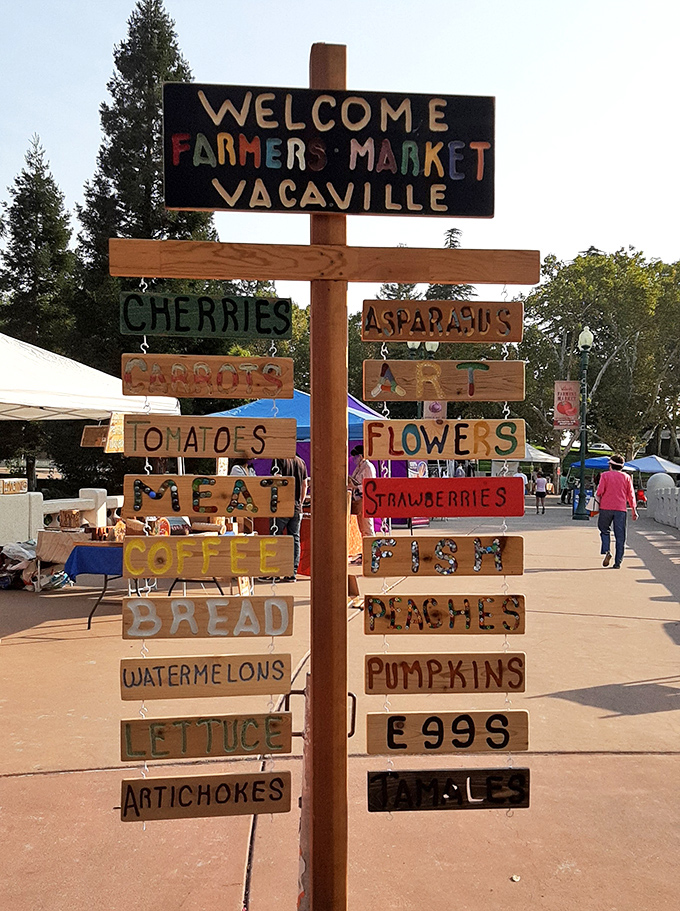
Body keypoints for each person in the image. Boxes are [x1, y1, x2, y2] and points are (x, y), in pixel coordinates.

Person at [271, 455, 309, 582]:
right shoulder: (301, 462)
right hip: (296, 506)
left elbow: (277, 479)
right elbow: (304, 485)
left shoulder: (278, 459)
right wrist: (300, 502)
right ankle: (292, 572)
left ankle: (275, 571)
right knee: (294, 538)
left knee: (275, 537)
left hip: (281, 506)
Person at [596, 454, 638, 568]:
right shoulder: (626, 477)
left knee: (604, 530)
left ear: (611, 465)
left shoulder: (605, 475)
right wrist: (634, 509)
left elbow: (600, 491)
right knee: (620, 536)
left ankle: (607, 550)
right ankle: (618, 562)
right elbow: (631, 495)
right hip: (620, 509)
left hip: (605, 507)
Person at [348, 444, 377, 538]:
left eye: (355, 457)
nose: (353, 459)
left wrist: (356, 487)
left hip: (366, 500)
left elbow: (370, 486)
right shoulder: (359, 467)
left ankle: (372, 546)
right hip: (358, 500)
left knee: (367, 527)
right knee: (362, 528)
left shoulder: (368, 467)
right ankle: (365, 546)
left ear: (360, 456)